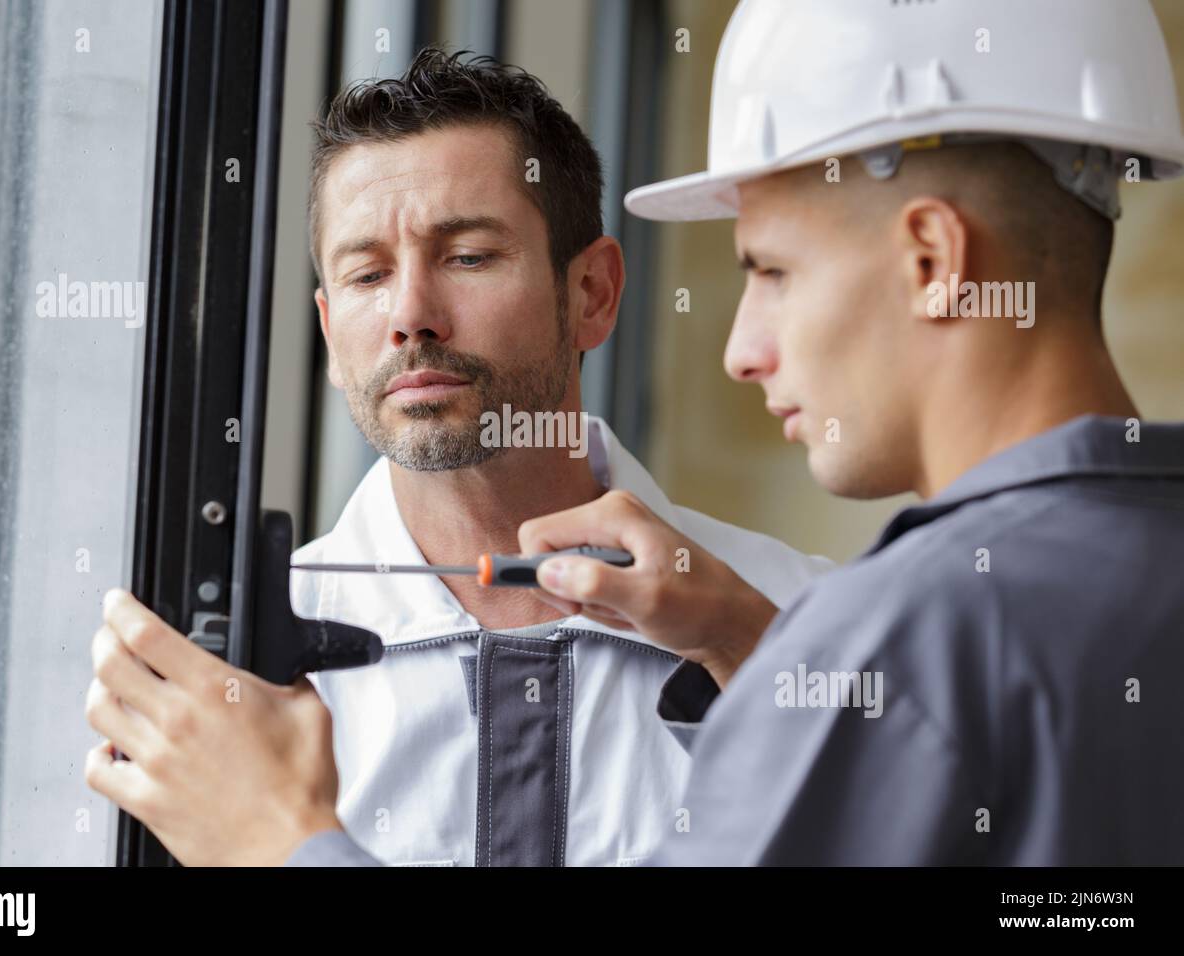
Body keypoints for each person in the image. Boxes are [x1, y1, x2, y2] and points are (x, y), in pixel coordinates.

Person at [280, 0, 1184, 865]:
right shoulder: (246, 656)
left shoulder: (877, 629)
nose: (742, 350)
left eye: (773, 269)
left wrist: (270, 843)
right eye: (364, 276)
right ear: (325, 325)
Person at [83, 48, 826, 867]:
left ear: (592, 294)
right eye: (367, 275)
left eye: (468, 256)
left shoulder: (810, 627)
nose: (411, 316)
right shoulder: (219, 696)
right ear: (331, 333)